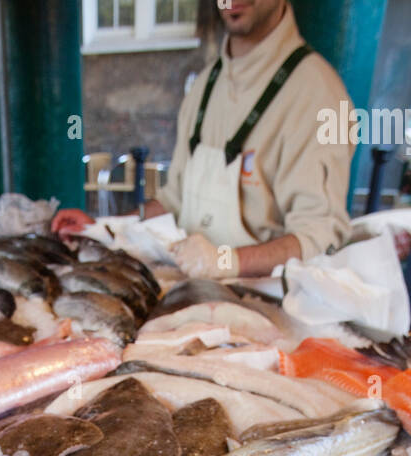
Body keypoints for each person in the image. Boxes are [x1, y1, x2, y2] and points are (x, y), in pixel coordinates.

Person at [54, 0, 352, 280]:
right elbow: (176, 199)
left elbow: (319, 239)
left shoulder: (322, 96)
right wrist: (105, 229)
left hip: (265, 311)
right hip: (190, 292)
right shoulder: (205, 85)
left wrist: (224, 261)